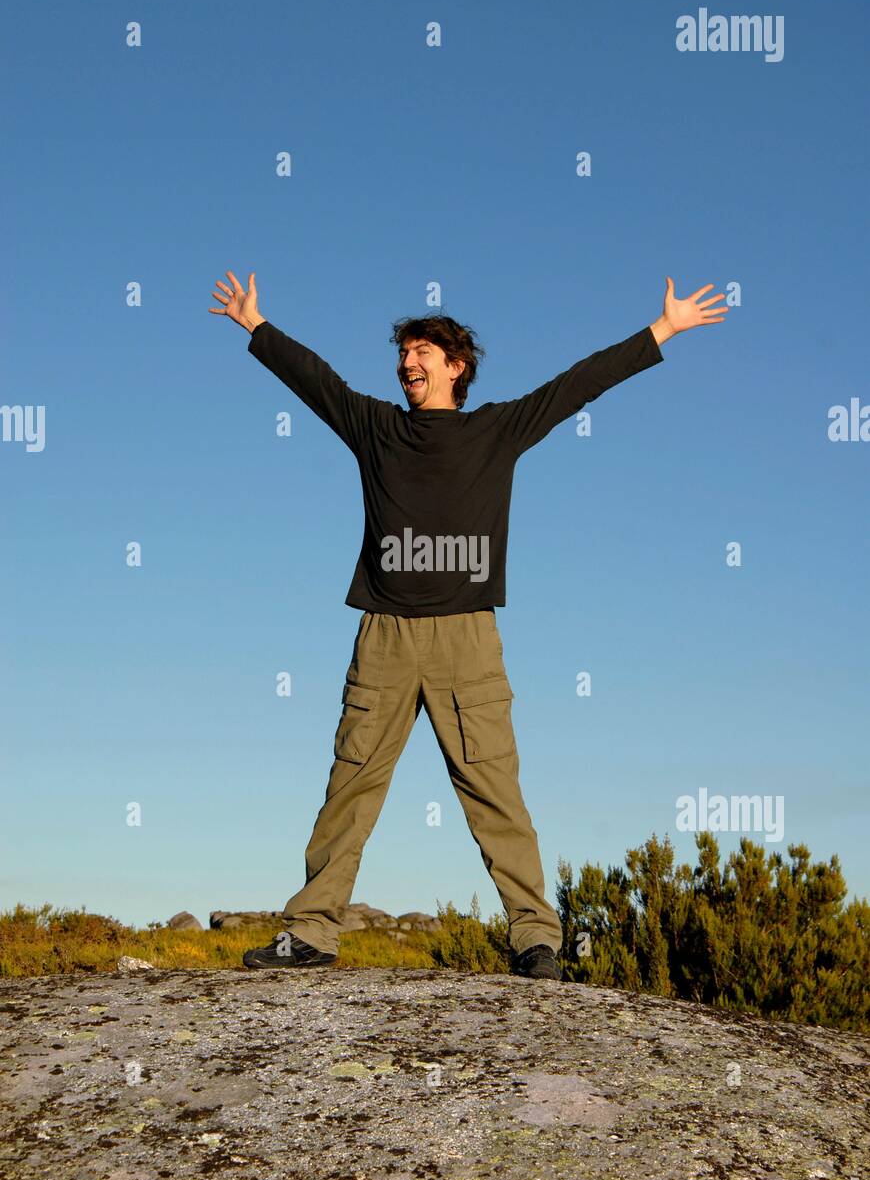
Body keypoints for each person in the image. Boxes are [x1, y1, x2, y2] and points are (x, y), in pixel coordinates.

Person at [208, 270, 729, 979]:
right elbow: (317, 381)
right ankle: (311, 933)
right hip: (385, 637)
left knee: (495, 793)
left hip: (467, 642)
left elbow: (575, 386)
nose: (408, 362)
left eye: (423, 351)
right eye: (404, 353)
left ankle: (534, 940)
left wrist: (660, 331)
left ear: (457, 367)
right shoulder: (376, 428)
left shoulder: (496, 431)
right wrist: (256, 327)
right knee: (350, 786)